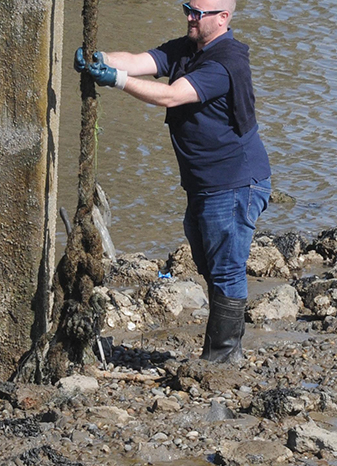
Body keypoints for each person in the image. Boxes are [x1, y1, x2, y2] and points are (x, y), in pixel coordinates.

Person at [76, 0, 269, 364]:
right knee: (209, 263)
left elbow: (170, 95)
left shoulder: (226, 61)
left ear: (223, 18)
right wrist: (98, 57)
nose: (190, 18)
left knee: (226, 268)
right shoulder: (188, 47)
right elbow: (138, 61)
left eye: (198, 13)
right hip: (203, 183)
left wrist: (113, 79)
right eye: (187, 9)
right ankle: (226, 349)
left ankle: (223, 359)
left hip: (235, 183)